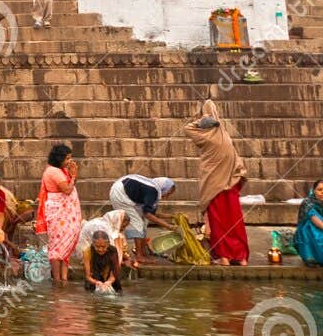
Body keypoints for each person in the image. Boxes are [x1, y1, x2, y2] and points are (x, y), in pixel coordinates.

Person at [186, 99, 249, 265]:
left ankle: (224, 257)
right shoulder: (223, 133)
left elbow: (188, 128)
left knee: (218, 223)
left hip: (214, 188)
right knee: (235, 223)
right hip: (231, 185)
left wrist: (201, 119)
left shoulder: (205, 137)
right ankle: (241, 257)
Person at [107, 173, 176, 267]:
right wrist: (168, 226)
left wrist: (171, 217)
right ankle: (139, 255)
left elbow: (151, 212)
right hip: (120, 194)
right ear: (164, 189)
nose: (167, 196)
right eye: (167, 193)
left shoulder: (154, 190)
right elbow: (147, 214)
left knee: (143, 222)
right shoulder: (153, 190)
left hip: (125, 193)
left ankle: (143, 252)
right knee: (138, 222)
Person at [37, 143, 82, 282]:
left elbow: (70, 185)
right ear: (59, 158)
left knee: (64, 247)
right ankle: (57, 280)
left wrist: (74, 174)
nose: (70, 161)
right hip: (58, 213)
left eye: (70, 158)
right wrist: (73, 176)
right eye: (67, 158)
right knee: (57, 247)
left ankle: (64, 278)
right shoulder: (53, 172)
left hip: (65, 214)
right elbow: (67, 189)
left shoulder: (60, 170)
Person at [294, 180, 323, 270]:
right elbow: (313, 217)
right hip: (308, 234)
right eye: (320, 189)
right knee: (309, 225)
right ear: (314, 191)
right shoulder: (307, 202)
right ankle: (311, 257)